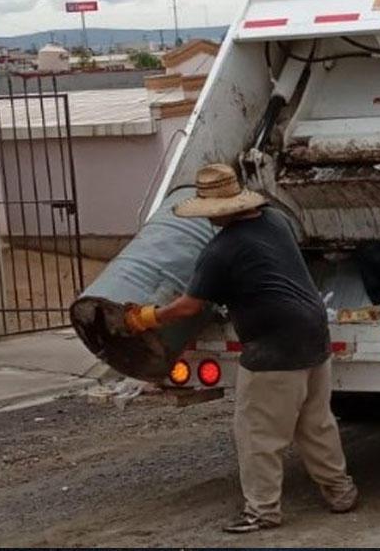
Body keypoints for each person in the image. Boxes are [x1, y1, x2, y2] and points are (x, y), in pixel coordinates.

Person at [123, 163, 357, 533]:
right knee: (316, 423)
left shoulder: (223, 250)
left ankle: (262, 511)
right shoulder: (275, 221)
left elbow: (189, 306)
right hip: (312, 333)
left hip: (273, 348)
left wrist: (148, 317)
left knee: (258, 434)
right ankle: (340, 492)